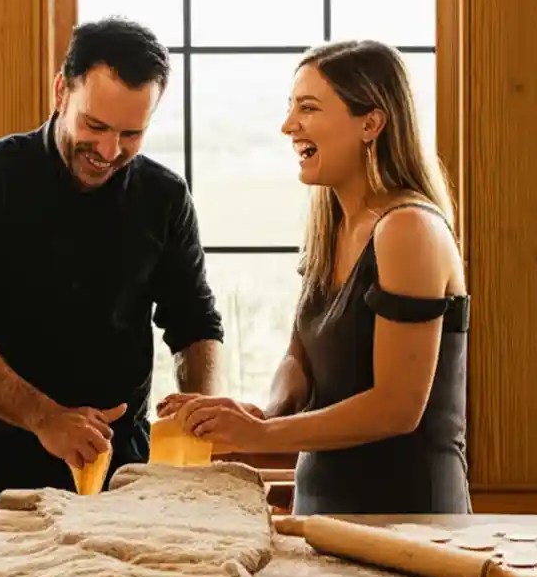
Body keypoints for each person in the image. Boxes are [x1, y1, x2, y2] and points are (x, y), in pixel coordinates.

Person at [0, 17, 223, 506]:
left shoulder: (164, 195)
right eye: (94, 126)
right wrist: (44, 417)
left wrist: (199, 406)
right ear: (61, 91)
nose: (108, 150)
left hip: (126, 455)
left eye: (130, 134)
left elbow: (195, 323)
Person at [157, 40, 470, 515]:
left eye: (308, 108)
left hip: (412, 518)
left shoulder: (409, 228)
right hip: (321, 509)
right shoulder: (331, 224)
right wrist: (260, 413)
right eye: (290, 108)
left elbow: (397, 407)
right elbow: (299, 359)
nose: (288, 126)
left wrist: (262, 436)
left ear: (371, 123)